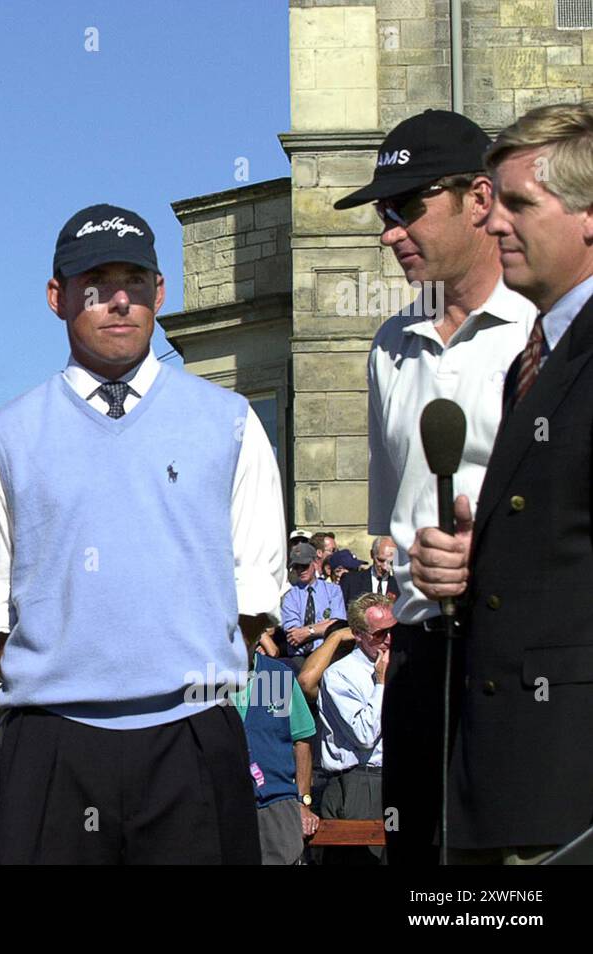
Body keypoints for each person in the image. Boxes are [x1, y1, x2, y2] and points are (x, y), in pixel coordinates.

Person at [0, 203, 285, 864]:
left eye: (135, 281)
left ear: (161, 292)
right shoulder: (5, 434)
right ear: (58, 297)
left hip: (192, 741)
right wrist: (67, 684)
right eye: (96, 284)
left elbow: (256, 591)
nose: (120, 301)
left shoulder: (228, 421)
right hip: (54, 749)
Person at [334, 109, 537, 865]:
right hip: (418, 654)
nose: (389, 230)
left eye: (407, 205)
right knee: (420, 857)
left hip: (521, 653)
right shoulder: (390, 346)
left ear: (479, 200)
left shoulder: (544, 331)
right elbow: (395, 512)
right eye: (383, 212)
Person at [411, 103, 593, 864]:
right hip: (500, 773)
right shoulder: (540, 353)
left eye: (519, 203)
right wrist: (462, 561)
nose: (495, 224)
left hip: (568, 785)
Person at [316, 593, 393, 865]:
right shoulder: (340, 675)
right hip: (360, 781)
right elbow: (363, 734)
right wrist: (381, 684)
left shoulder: (399, 664)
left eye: (392, 631)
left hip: (392, 778)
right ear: (358, 635)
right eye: (379, 634)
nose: (388, 640)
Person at [235, 624, 318, 864]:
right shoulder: (206, 679)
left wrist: (303, 801)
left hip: (276, 802)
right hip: (225, 802)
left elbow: (301, 741)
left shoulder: (278, 676)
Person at [280, 542, 347, 658]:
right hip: (299, 656)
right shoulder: (290, 596)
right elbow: (294, 635)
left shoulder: (333, 591)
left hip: (327, 653)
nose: (301, 570)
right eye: (297, 567)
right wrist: (325, 625)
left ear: (315, 563)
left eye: (304, 565)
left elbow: (337, 626)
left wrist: (308, 631)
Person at [341, 537, 400, 605]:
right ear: (372, 554)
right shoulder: (351, 581)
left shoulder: (399, 586)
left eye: (390, 562)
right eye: (381, 560)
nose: (385, 567)